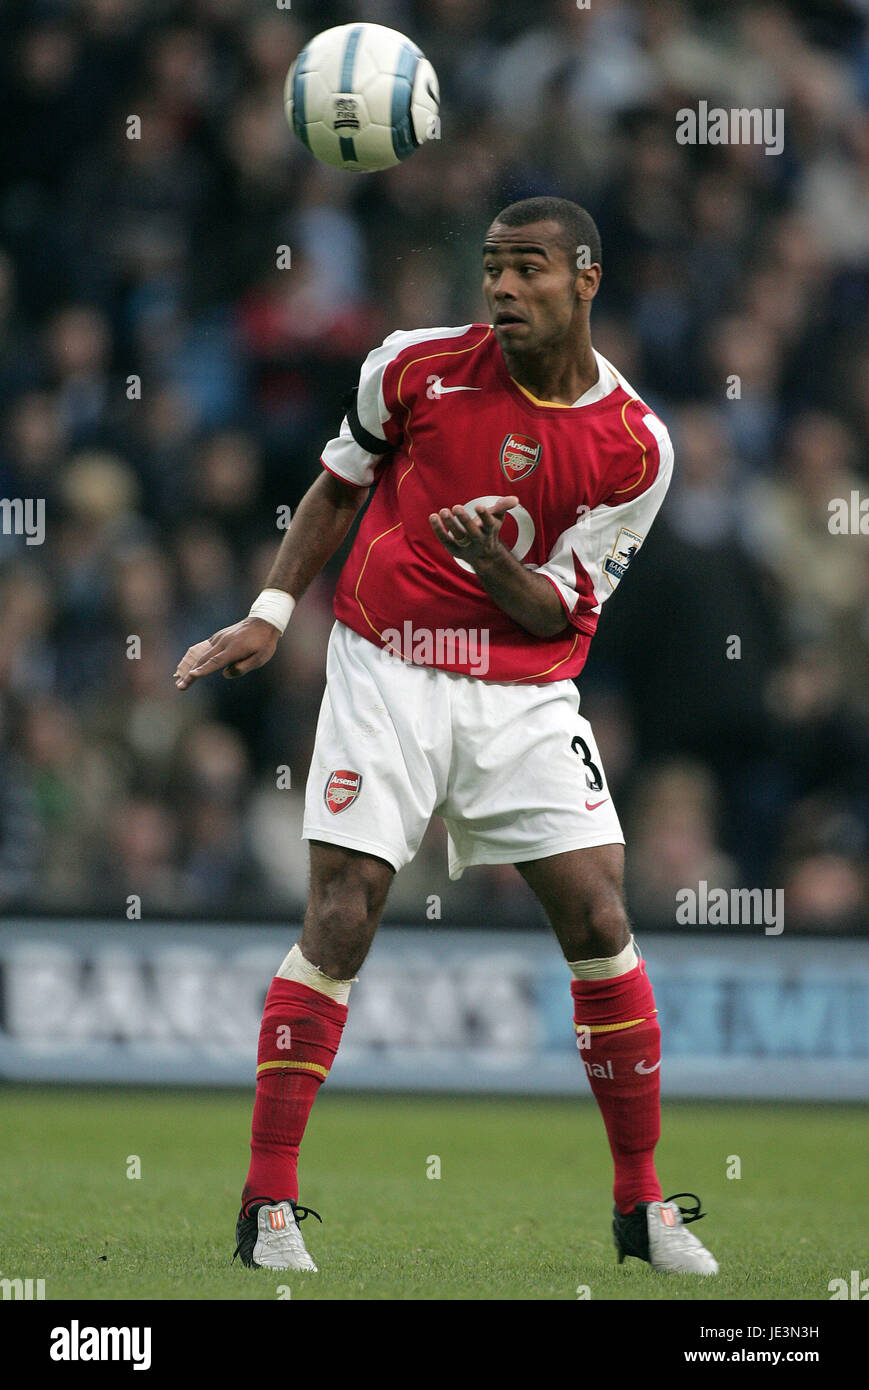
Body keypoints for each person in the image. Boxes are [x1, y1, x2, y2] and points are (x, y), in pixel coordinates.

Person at [174, 196, 718, 1277]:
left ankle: (640, 1205)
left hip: (520, 691)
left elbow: (550, 614)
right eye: (490, 270)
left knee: (602, 914)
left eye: (528, 269)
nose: (504, 289)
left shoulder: (636, 447)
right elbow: (340, 482)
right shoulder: (412, 366)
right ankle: (266, 1203)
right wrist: (272, 614)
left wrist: (490, 566)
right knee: (343, 912)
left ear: (586, 280)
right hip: (387, 665)